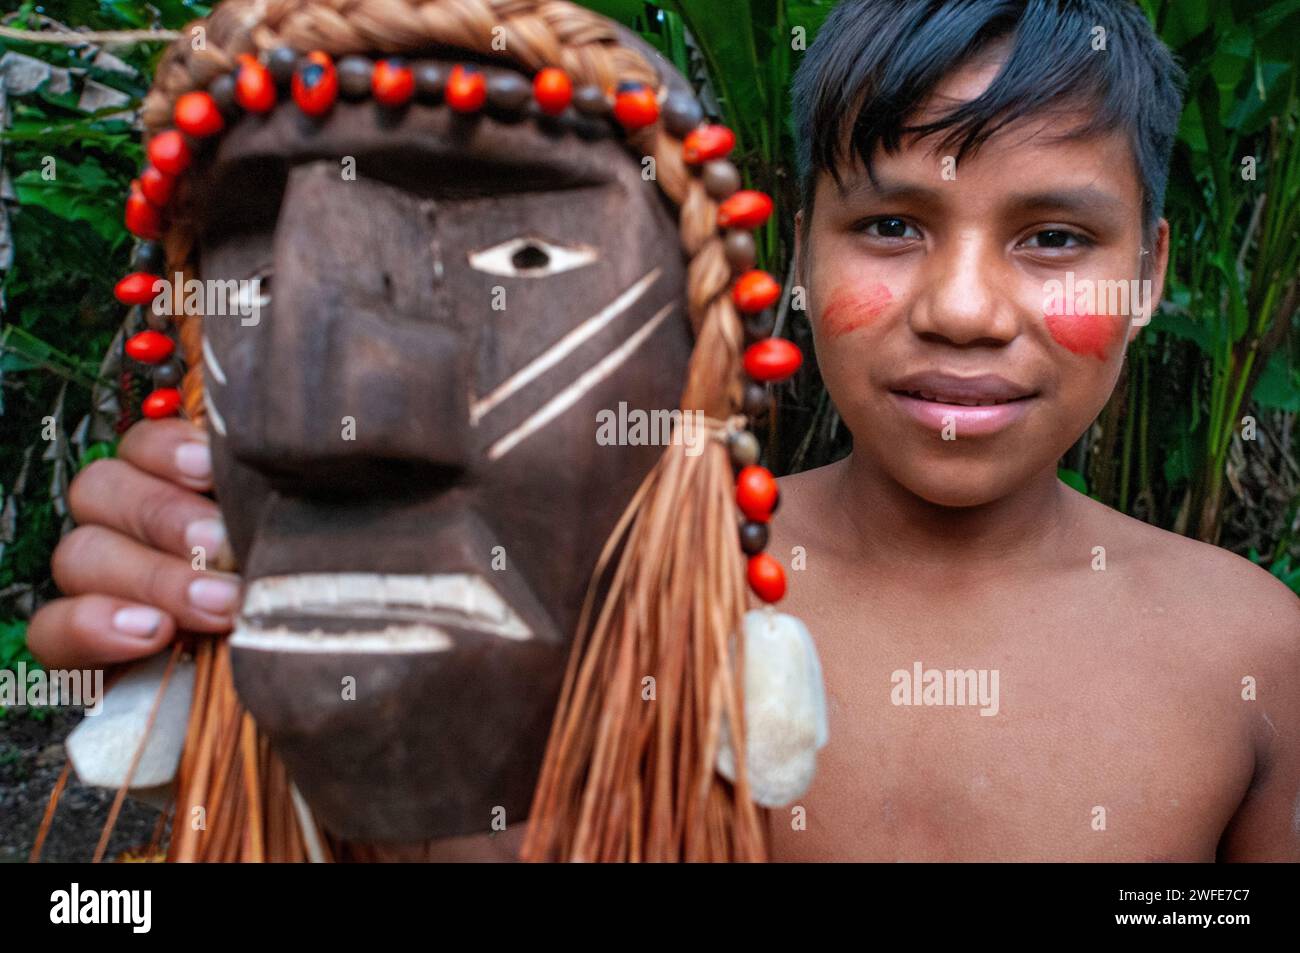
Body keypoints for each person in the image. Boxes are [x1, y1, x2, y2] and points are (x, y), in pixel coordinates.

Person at [31, 0, 1300, 861]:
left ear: (1149, 275)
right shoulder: (604, 575)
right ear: (791, 248)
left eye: (1055, 239)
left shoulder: (1257, 655)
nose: (962, 309)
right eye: (893, 226)